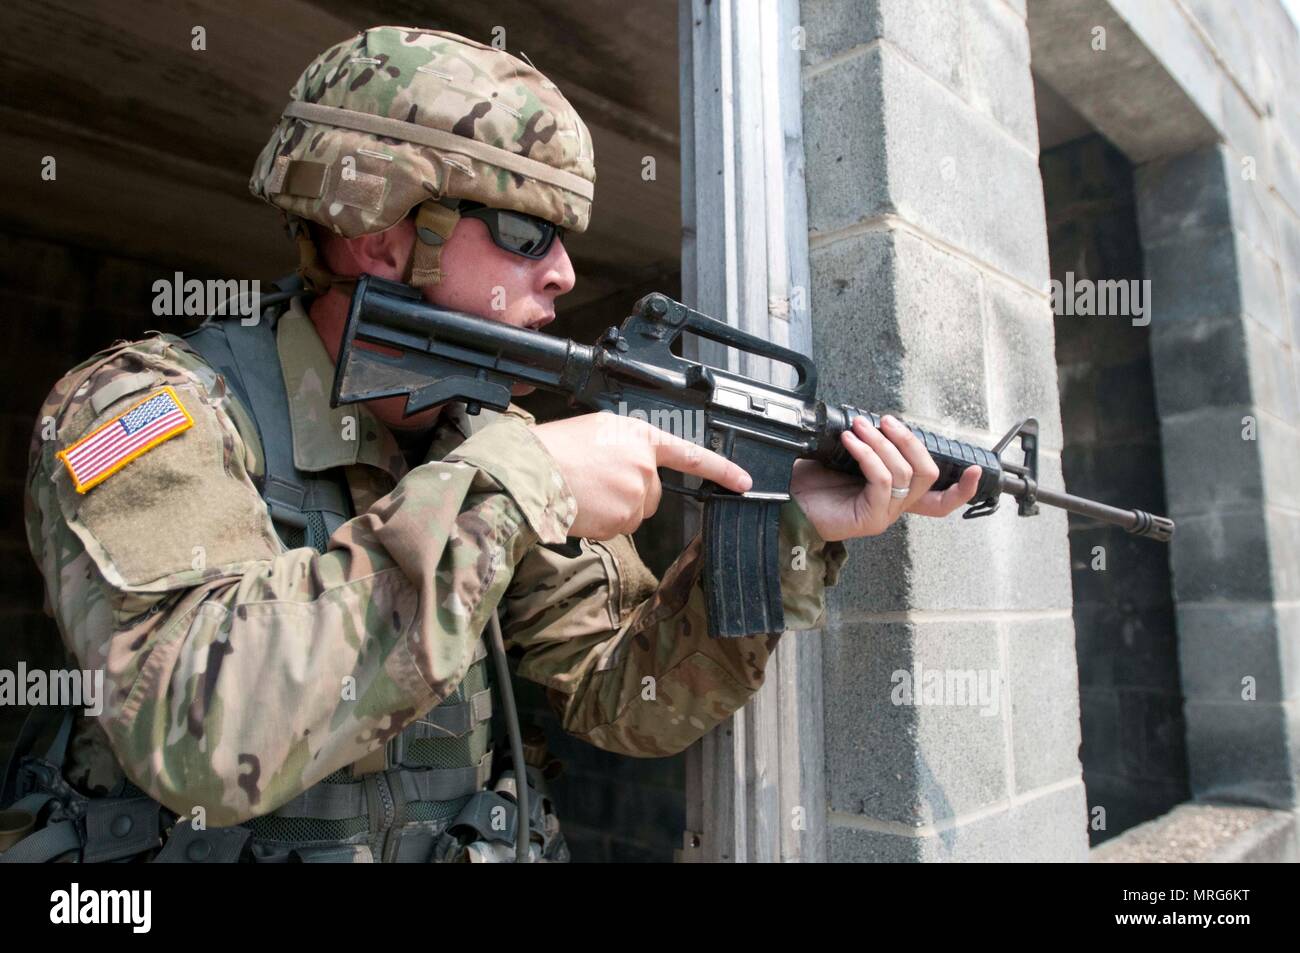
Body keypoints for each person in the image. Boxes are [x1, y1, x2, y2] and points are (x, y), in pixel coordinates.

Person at [6, 26, 981, 863]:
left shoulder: (481, 435)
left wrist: (787, 529)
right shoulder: (150, 411)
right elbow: (195, 731)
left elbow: (629, 698)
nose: (561, 272)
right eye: (524, 229)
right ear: (380, 234)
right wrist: (515, 489)